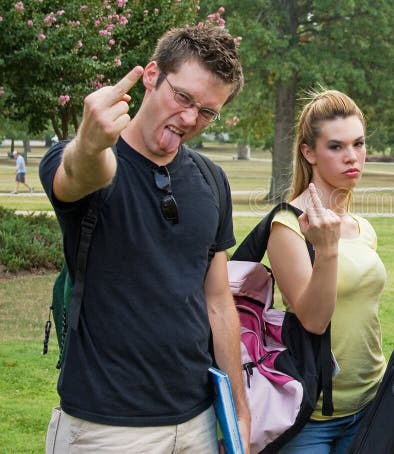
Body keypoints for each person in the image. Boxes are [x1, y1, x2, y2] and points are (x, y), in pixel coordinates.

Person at [39, 25, 251, 453]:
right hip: (104, 428)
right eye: (183, 97)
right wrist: (91, 142)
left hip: (196, 422)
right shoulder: (93, 158)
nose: (191, 119)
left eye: (207, 112)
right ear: (152, 75)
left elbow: (217, 302)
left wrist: (239, 411)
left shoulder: (212, 181)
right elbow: (83, 173)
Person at [267, 89, 386, 453]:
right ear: (309, 152)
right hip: (313, 415)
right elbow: (315, 320)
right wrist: (328, 248)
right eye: (336, 146)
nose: (352, 157)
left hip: (372, 404)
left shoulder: (363, 226)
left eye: (359, 143)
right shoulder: (288, 225)